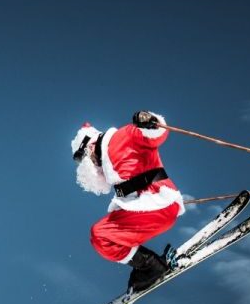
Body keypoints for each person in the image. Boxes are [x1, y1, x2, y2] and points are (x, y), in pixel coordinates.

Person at [70, 111, 185, 293]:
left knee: (100, 235)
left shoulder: (123, 135)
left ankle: (151, 267)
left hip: (158, 204)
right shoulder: (110, 167)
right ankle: (148, 265)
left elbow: (154, 135)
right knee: (101, 236)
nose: (89, 162)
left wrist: (149, 122)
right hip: (153, 209)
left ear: (89, 146)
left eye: (82, 158)